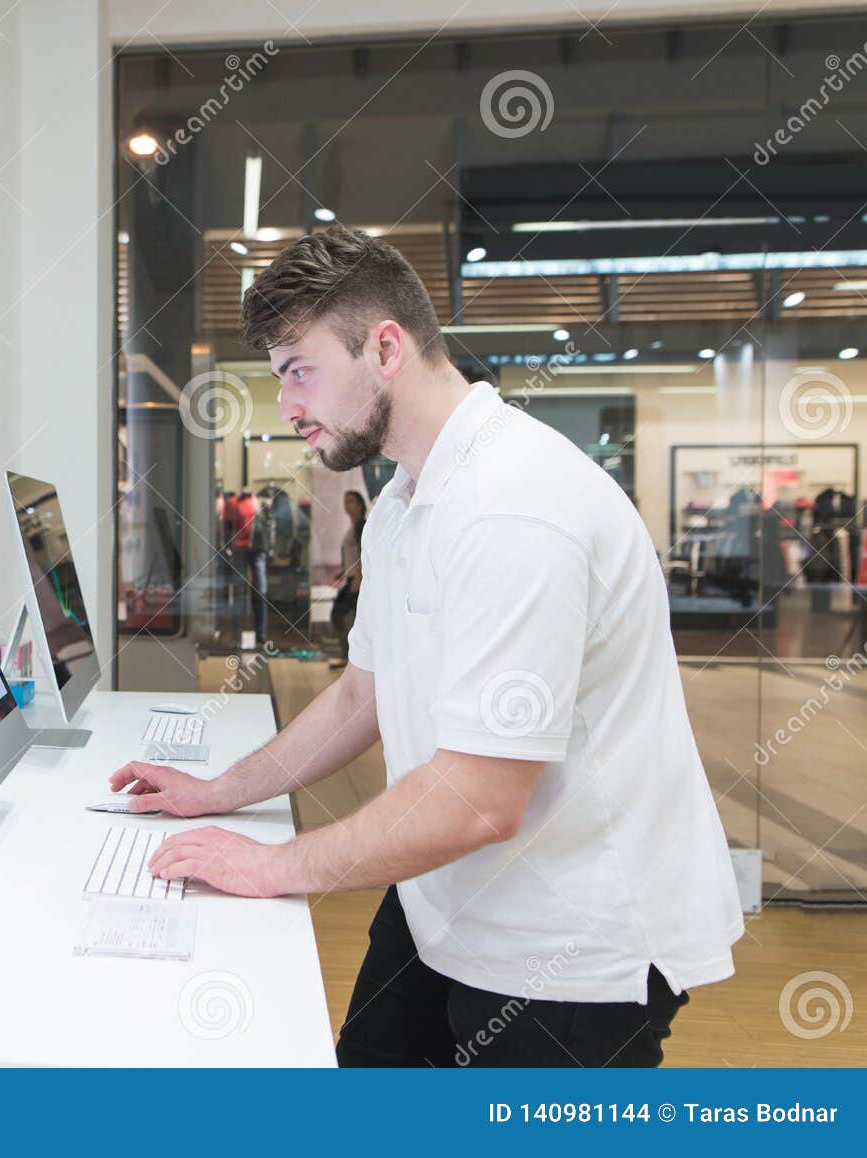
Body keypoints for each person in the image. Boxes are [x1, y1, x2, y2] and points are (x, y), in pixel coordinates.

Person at [109, 225, 743, 1067]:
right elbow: (358, 698)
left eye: (300, 370)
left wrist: (273, 867)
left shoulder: (514, 506)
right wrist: (219, 790)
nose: (290, 404)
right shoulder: (409, 498)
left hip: (571, 942)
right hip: (451, 895)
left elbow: (481, 799)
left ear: (384, 347)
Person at [328, 490, 366, 666]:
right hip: (352, 579)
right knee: (342, 615)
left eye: (351, 501)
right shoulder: (353, 527)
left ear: (360, 505)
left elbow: (363, 553)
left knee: (341, 615)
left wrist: (358, 576)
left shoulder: (361, 526)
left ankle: (351, 657)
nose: (347, 505)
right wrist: (344, 571)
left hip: (358, 582)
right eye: (345, 501)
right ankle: (350, 656)